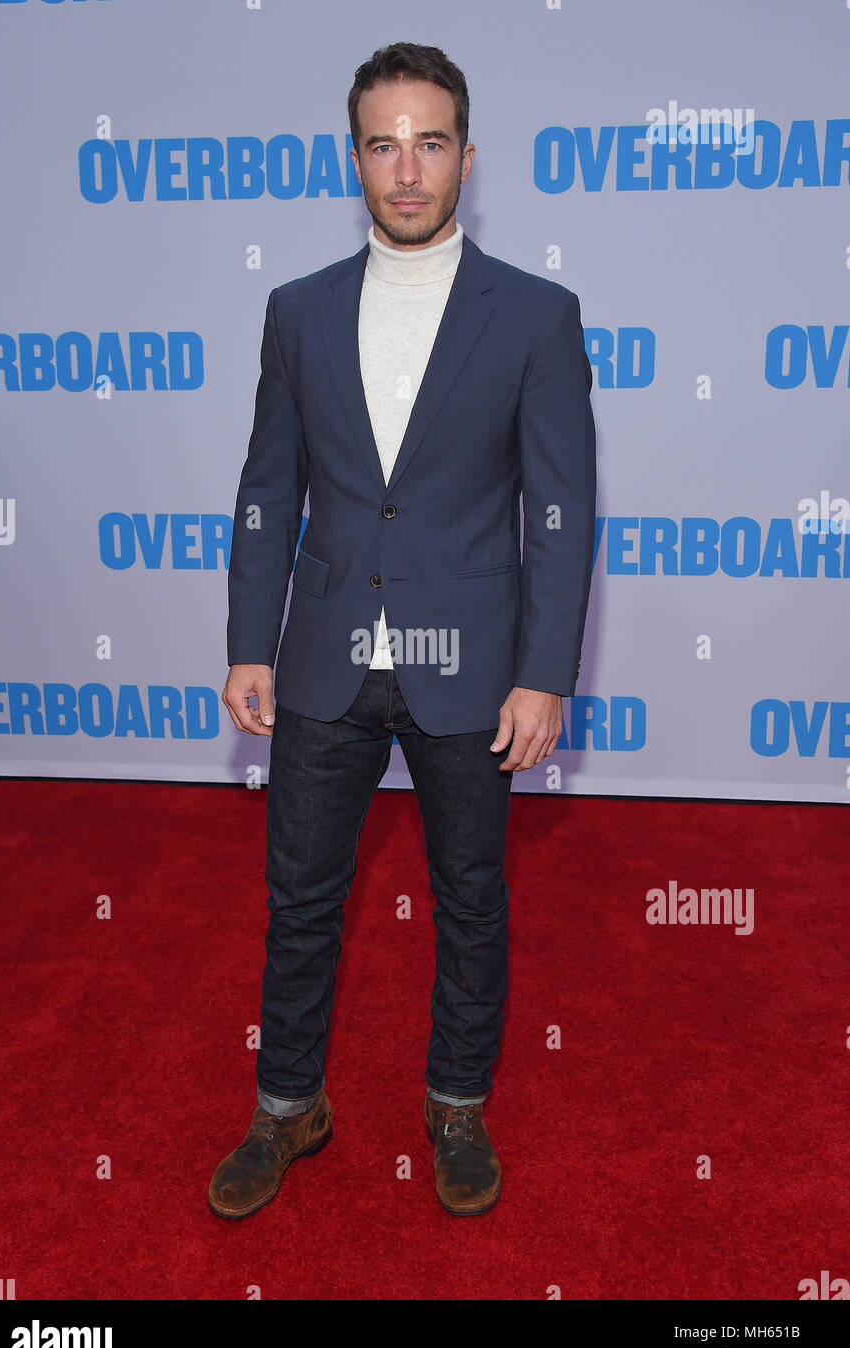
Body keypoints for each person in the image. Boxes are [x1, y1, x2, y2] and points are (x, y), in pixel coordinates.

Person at [208, 41, 596, 1220]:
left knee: (470, 896)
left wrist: (542, 673)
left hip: (471, 664)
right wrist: (248, 638)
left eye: (432, 143)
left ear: (467, 160)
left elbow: (561, 508)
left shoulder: (535, 315)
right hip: (326, 656)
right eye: (385, 143)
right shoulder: (298, 309)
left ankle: (455, 1108)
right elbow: (268, 486)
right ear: (355, 160)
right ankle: (289, 1108)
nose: (409, 168)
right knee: (300, 898)